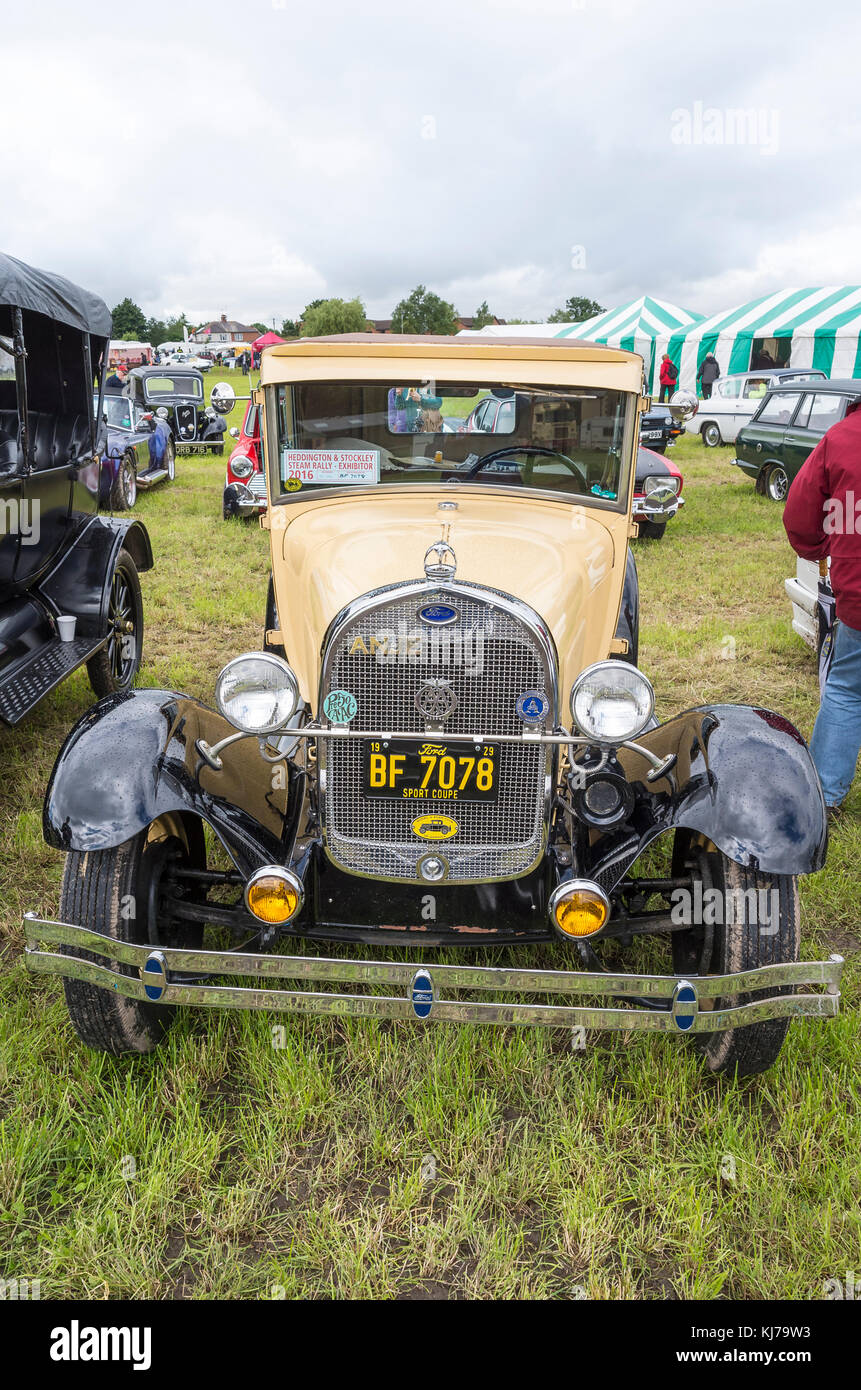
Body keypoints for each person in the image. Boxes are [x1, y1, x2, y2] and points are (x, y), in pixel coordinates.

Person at [783, 402, 861, 816]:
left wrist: (823, 548)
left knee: (848, 688)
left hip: (860, 596)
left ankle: (824, 793)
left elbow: (800, 514)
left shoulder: (842, 437)